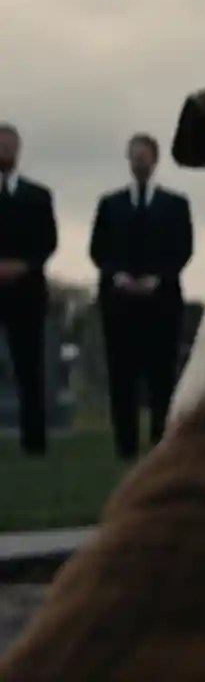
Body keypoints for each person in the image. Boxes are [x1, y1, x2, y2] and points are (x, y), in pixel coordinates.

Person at [90, 133, 193, 459]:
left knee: (162, 374)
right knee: (122, 375)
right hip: (119, 304)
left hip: (161, 302)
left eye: (144, 155)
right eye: (134, 155)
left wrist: (157, 278)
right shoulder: (110, 205)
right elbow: (98, 249)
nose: (139, 161)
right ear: (128, 159)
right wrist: (117, 276)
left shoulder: (176, 205)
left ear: (155, 159)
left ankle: (161, 441)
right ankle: (126, 445)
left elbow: (183, 248)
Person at [0, 123, 58, 456]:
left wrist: (23, 265)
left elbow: (48, 240)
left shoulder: (38, 196)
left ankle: (34, 442)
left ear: (18, 151)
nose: (4, 153)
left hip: (26, 293)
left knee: (29, 369)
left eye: (9, 147)